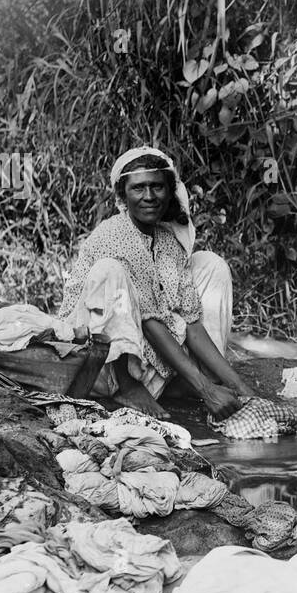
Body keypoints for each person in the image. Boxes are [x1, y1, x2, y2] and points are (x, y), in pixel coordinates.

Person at [60, 146, 256, 421]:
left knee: (211, 263)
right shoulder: (113, 235)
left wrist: (240, 386)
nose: (149, 196)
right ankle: (126, 387)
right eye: (138, 188)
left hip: (146, 354)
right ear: (122, 195)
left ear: (169, 191)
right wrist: (206, 391)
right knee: (109, 270)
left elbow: (191, 320)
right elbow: (150, 324)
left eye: (157, 187)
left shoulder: (167, 242)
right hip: (96, 360)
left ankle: (197, 380)